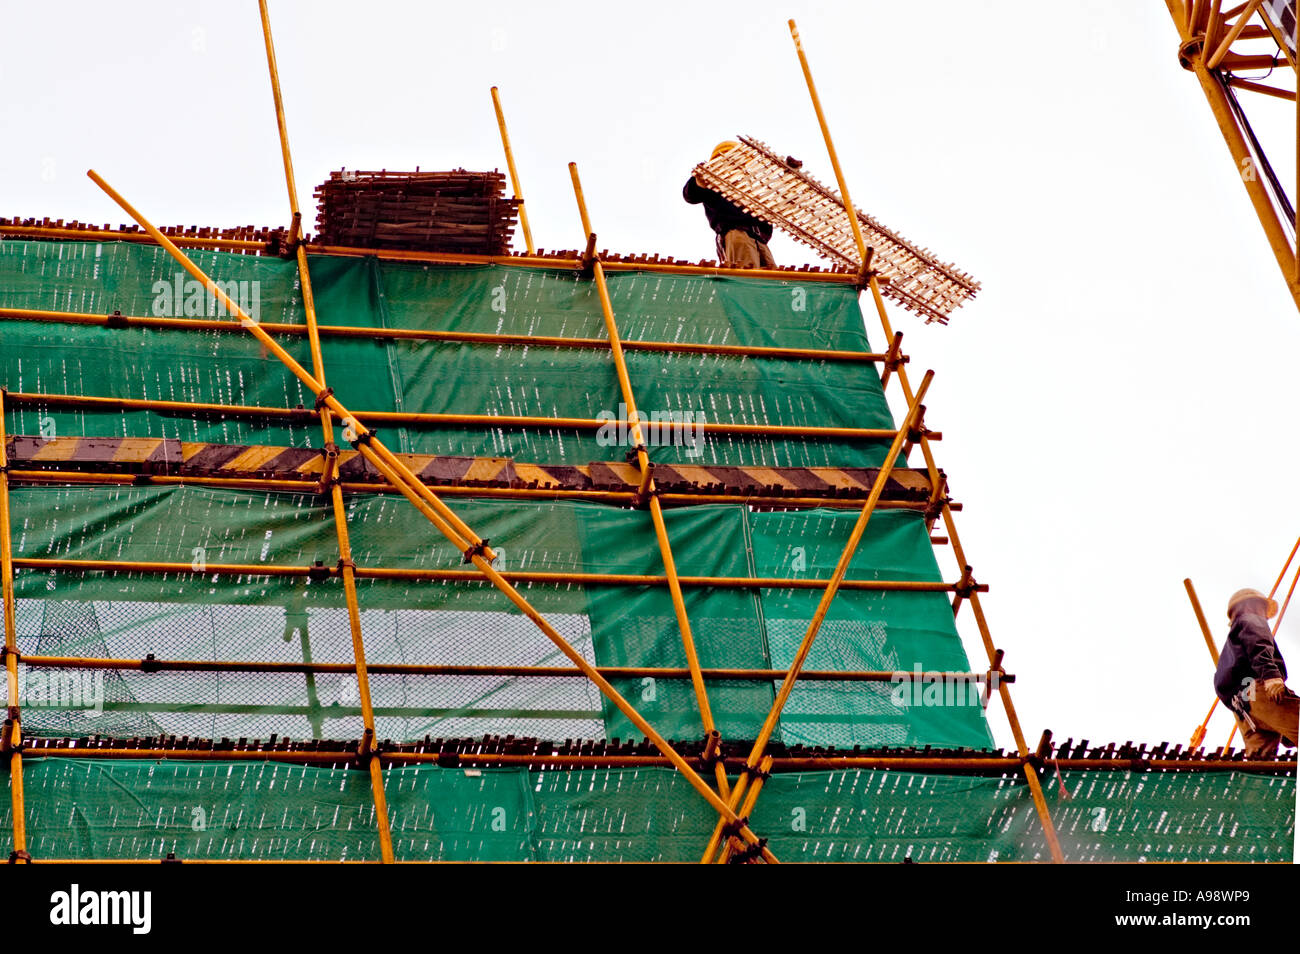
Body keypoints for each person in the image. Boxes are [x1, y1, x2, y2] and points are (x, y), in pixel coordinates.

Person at [1213, 587, 1298, 759]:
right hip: (1257, 692)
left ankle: (1252, 786)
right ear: (1256, 605)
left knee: (1259, 762)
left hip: (1244, 709)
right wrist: (1271, 676)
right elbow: (1259, 645)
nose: (1266, 616)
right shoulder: (1251, 619)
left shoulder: (1233, 641)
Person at [683, 141, 776, 269]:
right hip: (737, 233)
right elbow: (691, 195)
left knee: (770, 277)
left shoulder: (747, 187)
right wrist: (699, 179)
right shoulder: (713, 181)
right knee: (748, 275)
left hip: (759, 239)